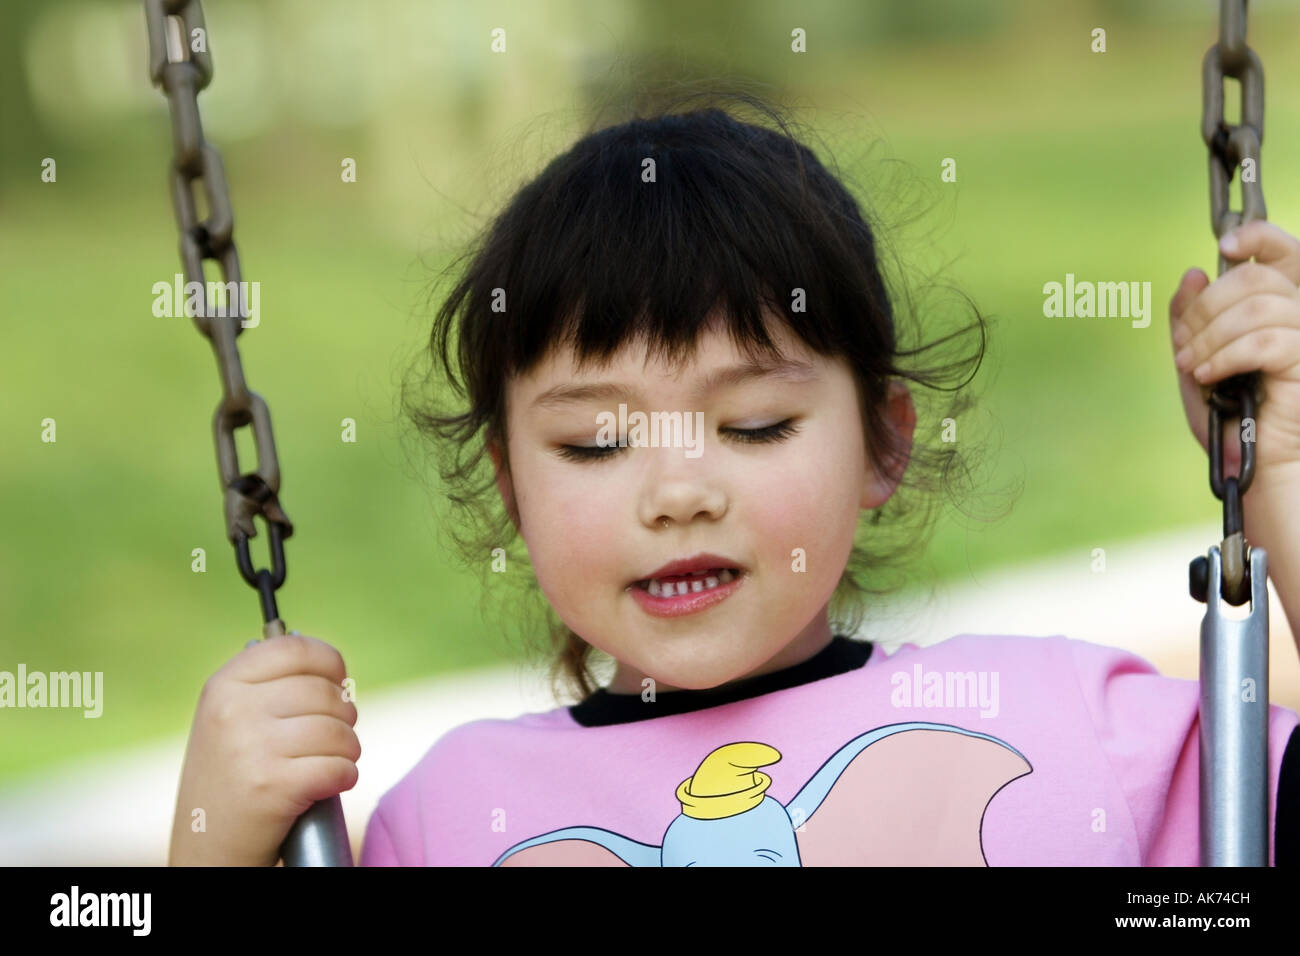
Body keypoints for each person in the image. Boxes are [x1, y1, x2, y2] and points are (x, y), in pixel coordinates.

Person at [168, 93, 1300, 867]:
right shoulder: (454, 814)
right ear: (511, 489)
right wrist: (211, 835)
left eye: (752, 424)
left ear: (882, 444)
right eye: (593, 444)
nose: (675, 492)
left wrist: (1282, 476)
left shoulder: (1064, 725)